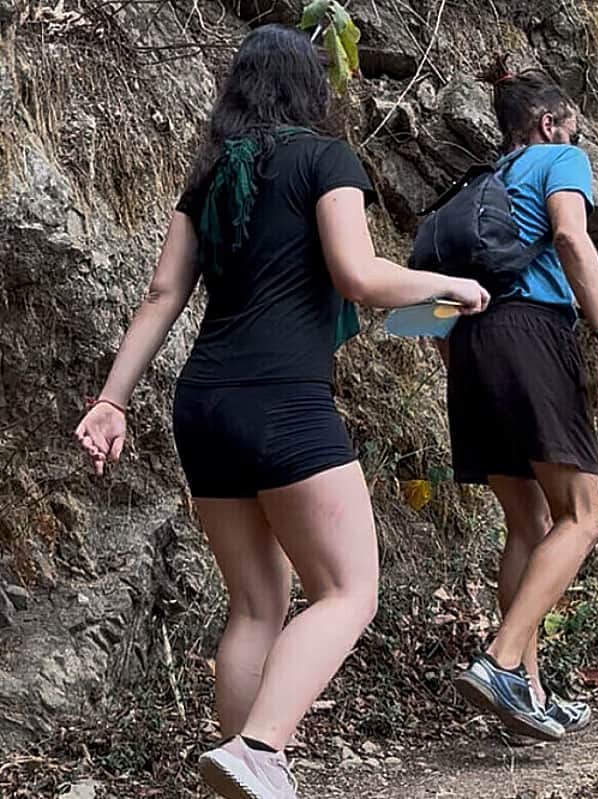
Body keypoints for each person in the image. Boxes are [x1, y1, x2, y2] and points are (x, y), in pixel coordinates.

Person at [73, 25, 489, 799]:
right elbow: (357, 275)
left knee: (258, 604)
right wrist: (450, 287)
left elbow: (163, 295)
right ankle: (262, 748)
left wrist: (111, 399)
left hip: (202, 404)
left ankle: (241, 766)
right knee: (350, 589)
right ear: (309, 88)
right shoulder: (323, 157)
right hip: (284, 401)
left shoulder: (207, 177)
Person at [446, 63, 598, 741]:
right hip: (531, 334)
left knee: (526, 524)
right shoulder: (561, 158)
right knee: (582, 517)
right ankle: (501, 663)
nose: (576, 136)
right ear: (549, 123)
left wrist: (468, 362)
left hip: (469, 347)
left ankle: (523, 695)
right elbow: (570, 236)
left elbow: (433, 308)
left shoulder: (477, 188)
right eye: (572, 124)